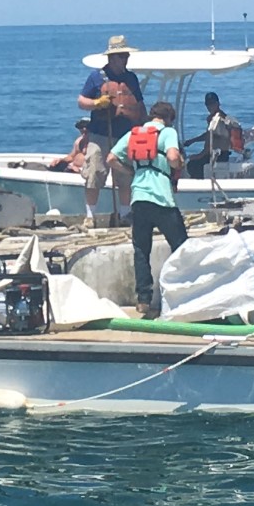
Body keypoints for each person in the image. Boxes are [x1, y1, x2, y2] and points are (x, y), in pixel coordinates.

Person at [111, 100, 185, 316]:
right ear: (169, 118)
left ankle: (143, 299)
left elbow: (111, 158)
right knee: (181, 247)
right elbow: (172, 157)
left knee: (142, 250)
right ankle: (180, 293)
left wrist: (132, 172)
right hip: (162, 197)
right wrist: (179, 163)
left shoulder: (134, 134)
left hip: (139, 197)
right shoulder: (167, 132)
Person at [77, 35, 144, 219]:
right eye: (122, 56)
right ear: (113, 57)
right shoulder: (96, 77)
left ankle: (124, 214)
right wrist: (97, 103)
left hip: (125, 135)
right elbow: (81, 101)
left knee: (125, 176)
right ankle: (90, 217)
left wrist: (143, 128)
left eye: (126, 55)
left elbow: (139, 103)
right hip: (100, 134)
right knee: (94, 174)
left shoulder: (131, 78)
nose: (126, 59)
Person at [190, 91, 243, 175]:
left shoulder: (219, 120)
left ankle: (201, 185)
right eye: (208, 104)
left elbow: (212, 140)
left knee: (192, 164)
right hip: (218, 154)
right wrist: (193, 140)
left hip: (219, 155)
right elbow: (209, 135)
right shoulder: (214, 118)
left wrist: (199, 156)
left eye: (212, 103)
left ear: (218, 103)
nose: (210, 106)